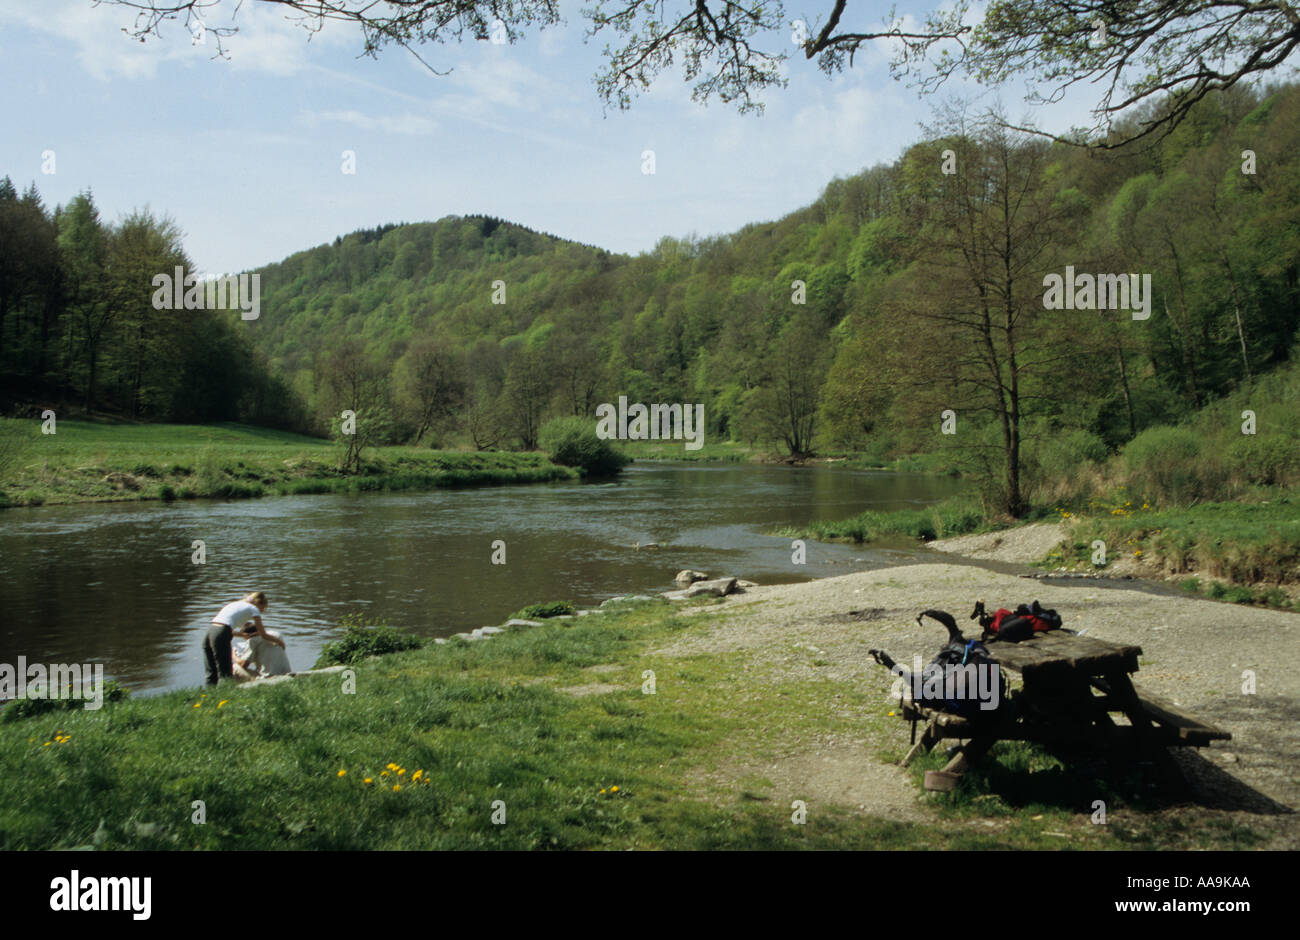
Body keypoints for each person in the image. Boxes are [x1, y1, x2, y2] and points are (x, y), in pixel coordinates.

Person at [204, 592, 280, 686]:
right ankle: (226, 696)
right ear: (259, 603)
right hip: (221, 633)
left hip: (210, 631)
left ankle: (208, 696)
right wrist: (279, 641)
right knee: (225, 673)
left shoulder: (234, 604)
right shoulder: (254, 609)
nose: (262, 611)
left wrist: (242, 634)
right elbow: (263, 634)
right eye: (263, 608)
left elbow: (224, 628)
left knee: (211, 671)